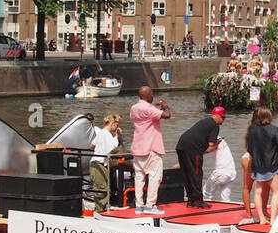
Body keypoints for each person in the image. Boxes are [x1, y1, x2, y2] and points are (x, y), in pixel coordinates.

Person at [129, 86, 171, 214]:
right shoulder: (149, 109)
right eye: (151, 93)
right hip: (151, 148)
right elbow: (167, 115)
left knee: (139, 177)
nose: (153, 95)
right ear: (147, 96)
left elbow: (145, 116)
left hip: (137, 148)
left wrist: (153, 107)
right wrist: (165, 106)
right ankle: (150, 205)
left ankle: (139, 205)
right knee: (154, 176)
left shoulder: (134, 108)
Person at [176, 106, 226, 208]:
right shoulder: (215, 125)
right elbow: (211, 144)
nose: (222, 122)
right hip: (192, 147)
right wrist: (217, 144)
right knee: (196, 173)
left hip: (181, 144)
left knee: (187, 173)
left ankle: (191, 200)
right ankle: (198, 201)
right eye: (223, 118)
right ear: (219, 116)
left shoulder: (205, 121)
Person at [246, 106, 278, 226]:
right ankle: (273, 219)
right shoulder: (275, 130)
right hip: (272, 166)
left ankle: (262, 218)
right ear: (269, 116)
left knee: (258, 192)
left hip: (257, 166)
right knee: (275, 192)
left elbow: (250, 149)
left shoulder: (253, 131)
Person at [88, 113, 124, 211]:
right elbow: (112, 150)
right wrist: (117, 137)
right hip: (98, 163)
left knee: (103, 187)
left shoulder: (101, 132)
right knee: (102, 188)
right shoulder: (106, 134)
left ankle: (103, 207)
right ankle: (101, 209)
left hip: (97, 163)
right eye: (117, 125)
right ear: (113, 124)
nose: (117, 127)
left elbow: (91, 145)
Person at [203, 135, 237, 203]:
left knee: (206, 194)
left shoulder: (213, 140)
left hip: (221, 172)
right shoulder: (220, 139)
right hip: (232, 172)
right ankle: (228, 212)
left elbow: (207, 150)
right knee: (226, 199)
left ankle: (205, 212)